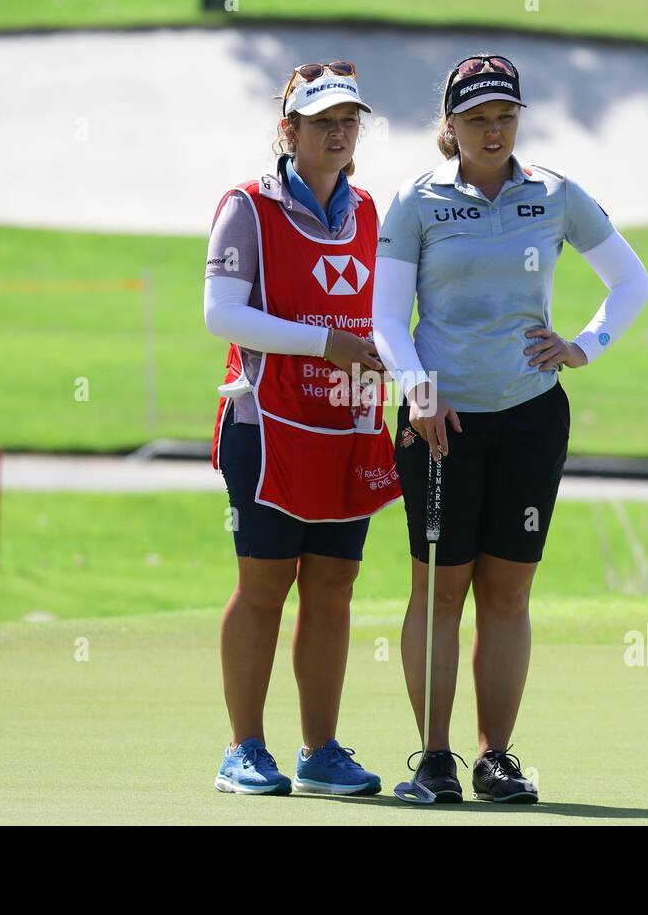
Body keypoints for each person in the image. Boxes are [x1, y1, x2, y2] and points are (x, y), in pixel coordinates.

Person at [372, 53, 648, 803]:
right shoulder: (417, 201)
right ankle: (434, 760)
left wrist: (584, 345)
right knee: (439, 591)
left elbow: (631, 280)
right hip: (441, 423)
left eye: (504, 117)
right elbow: (384, 318)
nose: (492, 132)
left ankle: (495, 758)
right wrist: (418, 388)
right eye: (476, 120)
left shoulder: (553, 195)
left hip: (530, 416)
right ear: (451, 127)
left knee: (507, 595)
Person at [203, 61, 401, 796]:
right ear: (289, 131)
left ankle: (320, 752)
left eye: (349, 121)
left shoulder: (372, 213)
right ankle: (243, 750)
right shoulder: (247, 207)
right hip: (266, 422)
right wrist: (326, 344)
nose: (340, 133)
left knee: (334, 587)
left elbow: (384, 318)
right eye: (322, 122)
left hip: (346, 423)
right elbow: (221, 314)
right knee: (264, 585)